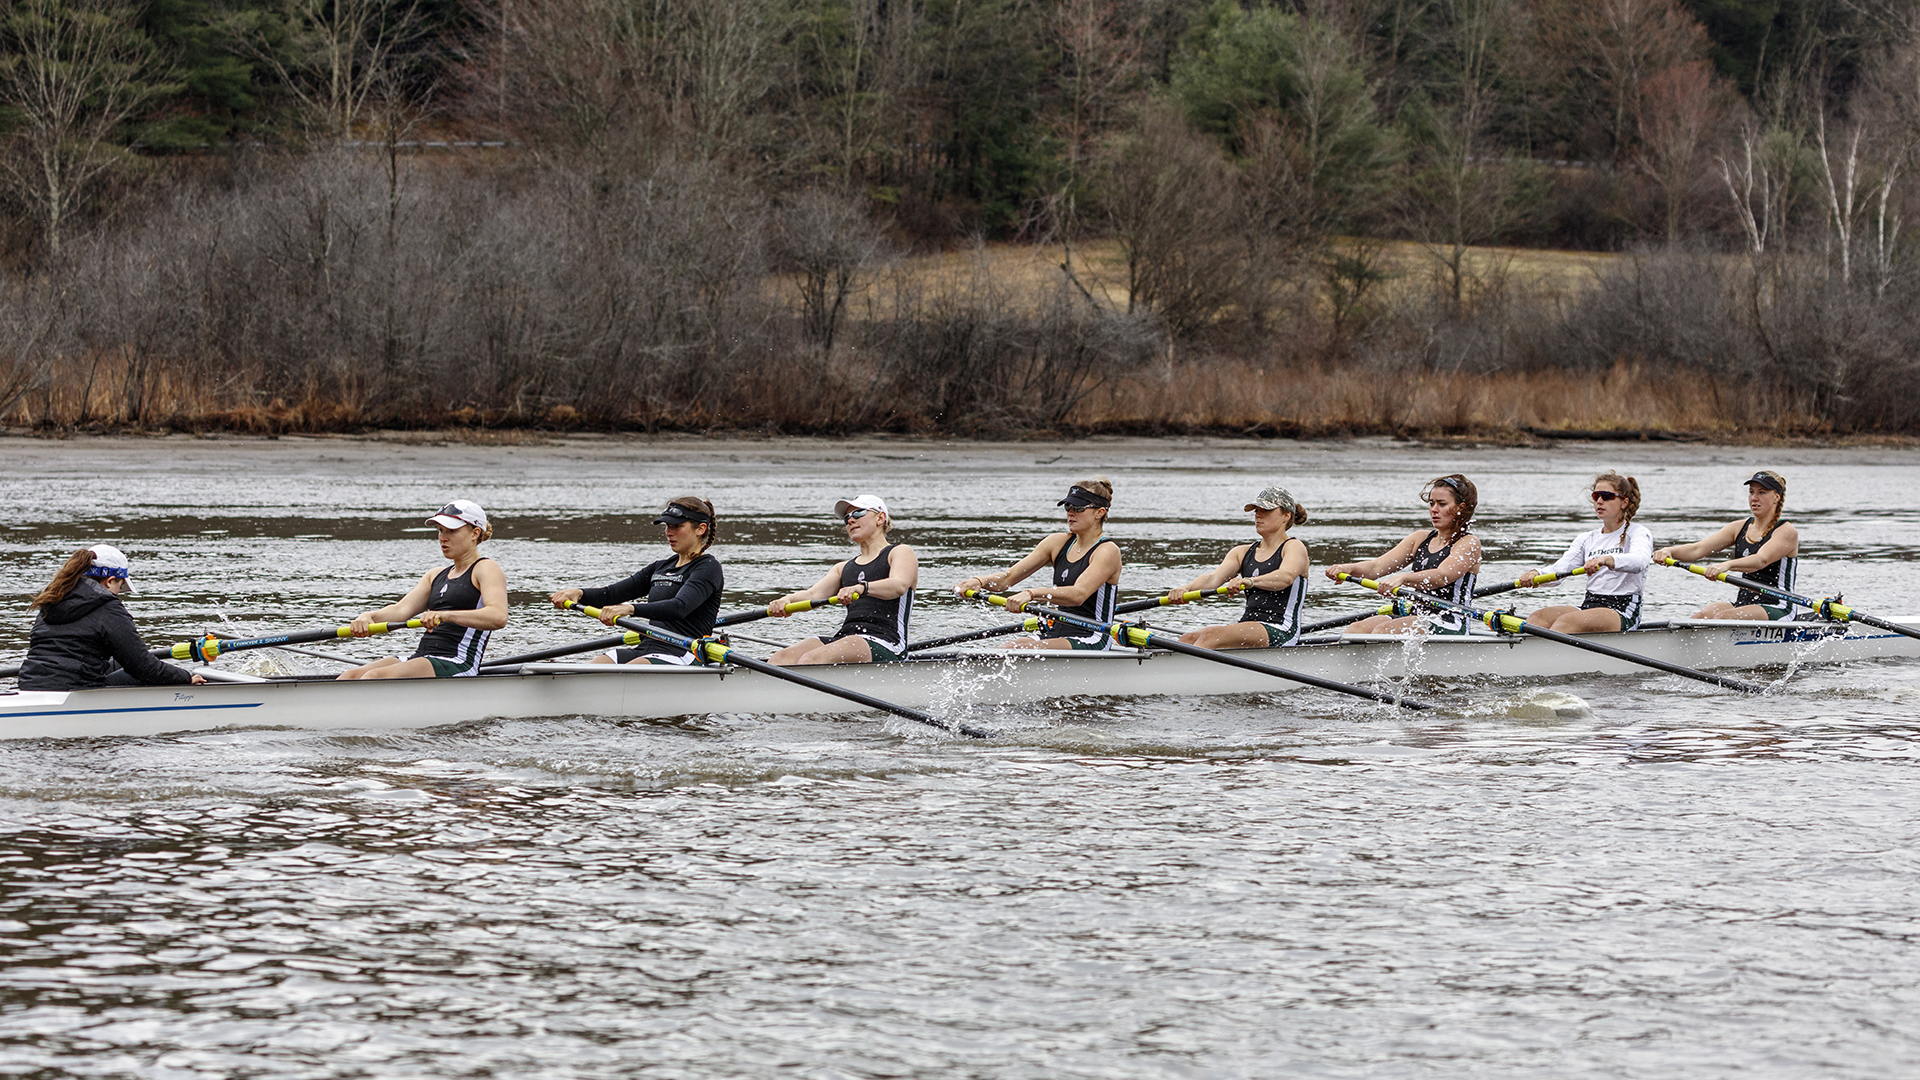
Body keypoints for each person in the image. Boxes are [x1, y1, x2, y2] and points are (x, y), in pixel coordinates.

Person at [338, 501, 508, 679]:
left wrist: (446, 615)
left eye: (452, 531)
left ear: (475, 533)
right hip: (422, 658)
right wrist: (368, 617)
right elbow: (400, 610)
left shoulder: (486, 569)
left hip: (457, 662)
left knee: (374, 677)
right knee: (349, 676)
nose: (443, 537)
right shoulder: (434, 576)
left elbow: (498, 617)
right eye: (440, 530)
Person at [547, 496, 723, 665]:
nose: (669, 533)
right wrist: (579, 593)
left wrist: (630, 609)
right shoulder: (660, 567)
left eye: (676, 526)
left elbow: (679, 607)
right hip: (647, 646)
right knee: (598, 663)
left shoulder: (708, 567)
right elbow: (610, 594)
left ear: (701, 529)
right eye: (667, 526)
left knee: (632, 668)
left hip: (684, 652)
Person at [955, 478, 1122, 650]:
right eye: (1068, 507)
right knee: (1005, 648)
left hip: (1093, 635)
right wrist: (979, 581)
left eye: (1078, 508)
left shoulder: (1107, 551)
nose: (1071, 513)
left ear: (1099, 512)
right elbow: (1007, 579)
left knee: (1018, 651)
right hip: (1056, 629)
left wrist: (1030, 594)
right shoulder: (1056, 543)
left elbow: (1078, 595)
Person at [18, 545, 206, 691]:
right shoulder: (107, 606)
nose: (118, 593)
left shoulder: (52, 599)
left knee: (115, 663)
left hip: (29, 683)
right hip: (76, 690)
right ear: (109, 581)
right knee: (142, 673)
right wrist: (185, 677)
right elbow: (143, 667)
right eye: (120, 586)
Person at [767, 494, 918, 664]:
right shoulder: (842, 568)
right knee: (780, 659)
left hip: (887, 644)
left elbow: (898, 585)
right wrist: (786, 600)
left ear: (880, 518)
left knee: (811, 659)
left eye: (858, 513)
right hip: (847, 639)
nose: (851, 520)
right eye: (847, 518)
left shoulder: (900, 552)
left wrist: (862, 588)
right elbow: (813, 594)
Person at [1326, 474, 1482, 634]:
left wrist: (1404, 578)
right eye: (1431, 503)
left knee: (1383, 630)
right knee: (1357, 629)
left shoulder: (1468, 543)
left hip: (1451, 621)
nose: (1434, 509)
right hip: (1417, 616)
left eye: (1442, 504)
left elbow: (1442, 576)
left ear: (1461, 508)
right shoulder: (1419, 539)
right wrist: (1348, 568)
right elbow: (1376, 567)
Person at [1164, 485, 1311, 649]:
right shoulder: (1241, 552)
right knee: (1188, 638)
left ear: (1286, 516)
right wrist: (1185, 588)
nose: (1258, 515)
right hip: (1249, 626)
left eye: (1266, 510)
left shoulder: (1294, 547)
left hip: (1281, 629)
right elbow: (1213, 579)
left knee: (1211, 635)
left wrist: (1249, 581)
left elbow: (1285, 577)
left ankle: (1184, 670)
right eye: (1256, 510)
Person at [1651, 470, 1799, 620]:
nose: (1754, 498)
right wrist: (1669, 551)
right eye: (1751, 492)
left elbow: (1761, 560)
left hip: (1779, 606)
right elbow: (1698, 549)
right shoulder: (1739, 528)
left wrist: (1726, 565)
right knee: (1700, 617)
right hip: (1745, 603)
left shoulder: (1786, 531)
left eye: (1762, 493)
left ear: (1776, 497)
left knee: (1722, 617)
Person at [1515, 471, 1652, 632]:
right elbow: (1560, 571)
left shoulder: (1638, 533)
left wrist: (1607, 560)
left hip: (1623, 609)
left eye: (1606, 496)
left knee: (1567, 622)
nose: (1599, 501)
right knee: (1537, 618)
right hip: (1590, 605)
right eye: (1596, 496)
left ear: (1624, 502)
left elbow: (1639, 561)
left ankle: (1547, 654)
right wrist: (1535, 574)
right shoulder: (1586, 539)